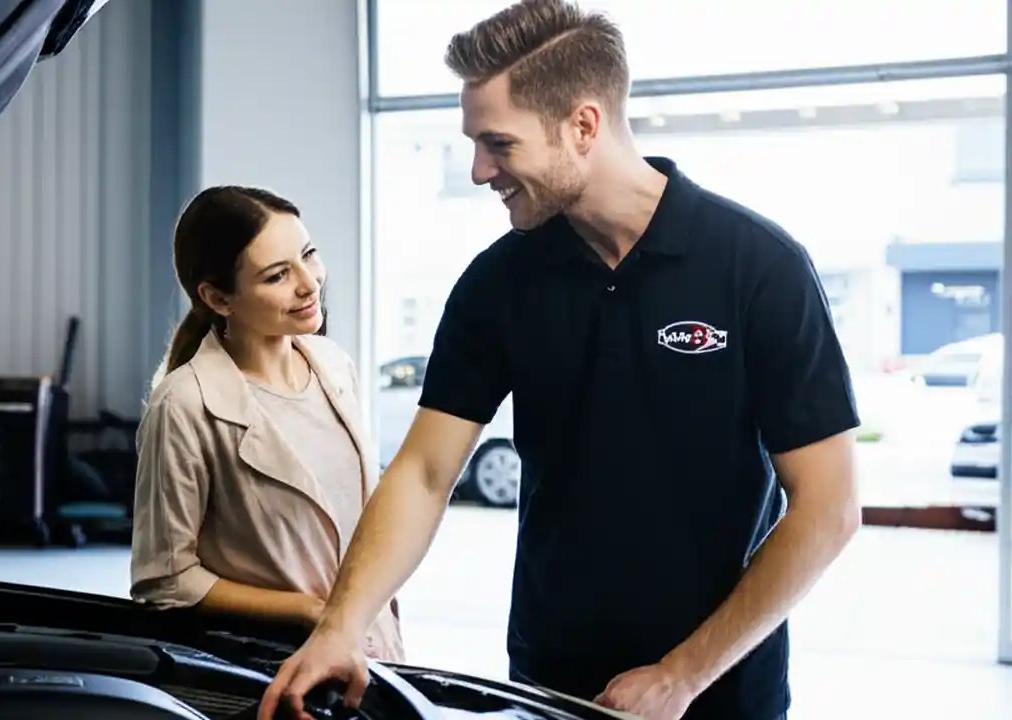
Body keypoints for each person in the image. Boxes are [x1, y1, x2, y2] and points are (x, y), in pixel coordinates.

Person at [258, 2, 860, 719]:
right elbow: (423, 473)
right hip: (548, 683)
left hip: (720, 690)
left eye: (498, 144)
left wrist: (679, 677)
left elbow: (828, 507)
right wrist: (342, 624)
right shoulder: (499, 283)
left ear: (583, 125)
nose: (480, 170)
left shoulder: (758, 268)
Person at [130, 185, 404, 663]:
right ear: (218, 298)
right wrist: (306, 610)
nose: (309, 282)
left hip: (374, 648)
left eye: (308, 255)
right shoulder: (185, 404)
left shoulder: (333, 365)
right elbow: (166, 579)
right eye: (278, 275)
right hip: (275, 663)